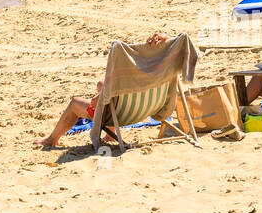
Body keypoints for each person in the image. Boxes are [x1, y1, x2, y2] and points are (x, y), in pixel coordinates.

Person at [34, 32, 169, 147]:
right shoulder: (160, 66)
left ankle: (51, 140)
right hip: (148, 108)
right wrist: (166, 40)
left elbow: (109, 93)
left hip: (122, 115)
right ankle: (111, 136)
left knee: (75, 103)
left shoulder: (130, 70)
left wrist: (98, 98)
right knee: (101, 84)